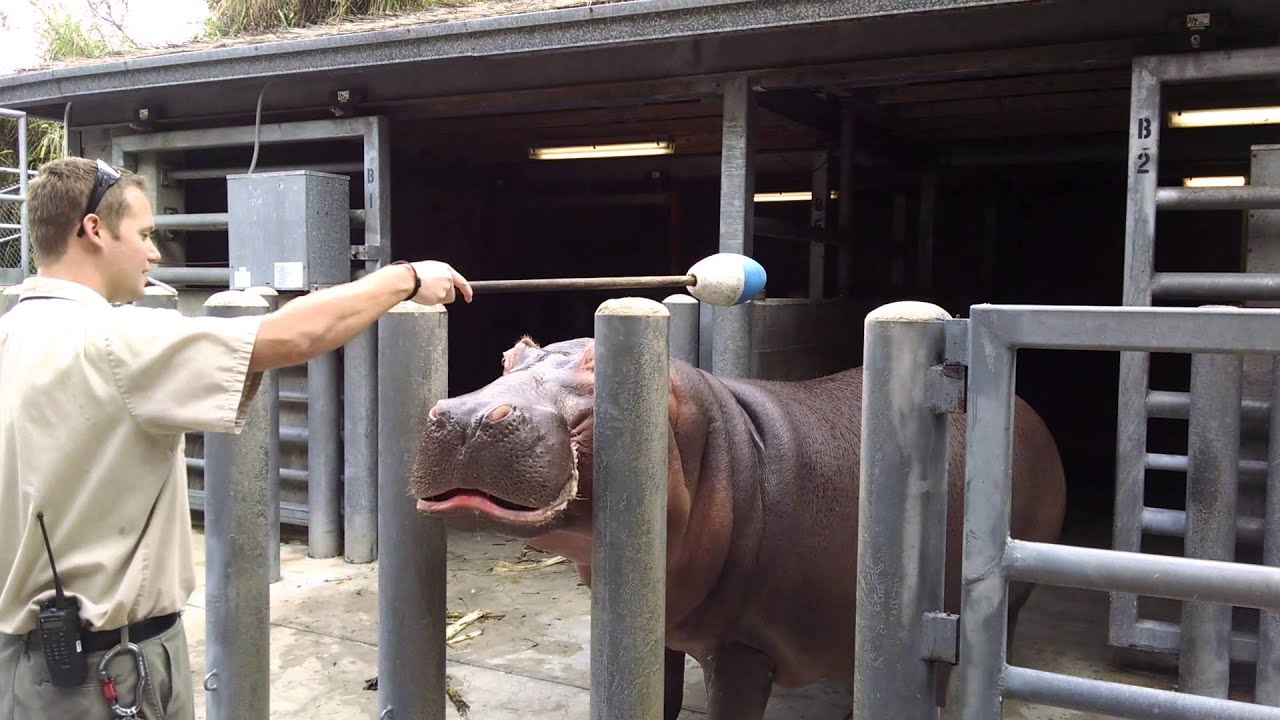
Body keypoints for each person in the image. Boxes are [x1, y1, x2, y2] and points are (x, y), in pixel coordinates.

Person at [0, 156, 472, 719]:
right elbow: (293, 334)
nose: (154, 253)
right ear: (94, 230)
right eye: (145, 235)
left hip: (26, 666)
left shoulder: (12, 333)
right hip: (110, 670)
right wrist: (406, 278)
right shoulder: (115, 340)